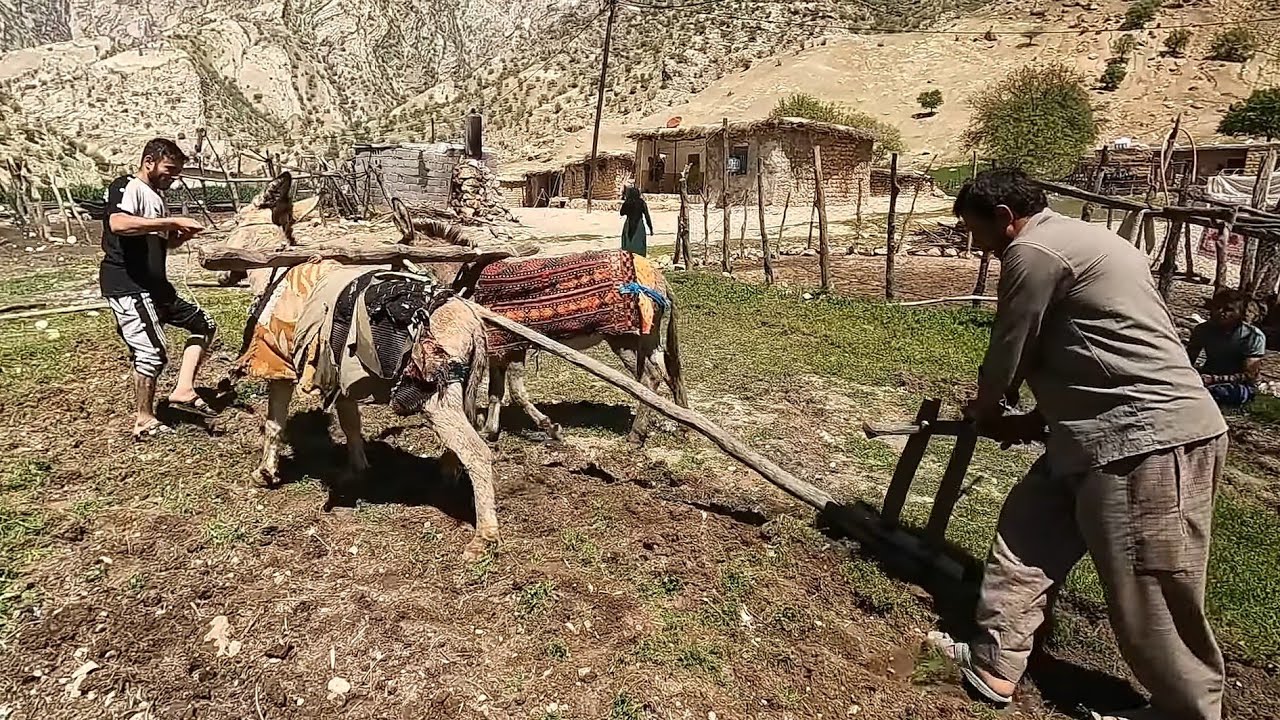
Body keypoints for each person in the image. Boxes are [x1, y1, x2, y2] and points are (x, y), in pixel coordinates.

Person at [929, 169, 1228, 720]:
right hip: (1089, 434)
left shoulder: (1035, 251)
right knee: (1028, 533)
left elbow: (1012, 344)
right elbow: (1100, 345)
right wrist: (1039, 420)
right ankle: (997, 662)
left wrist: (989, 408)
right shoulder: (1090, 240)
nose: (975, 244)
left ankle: (1187, 711)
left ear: (1002, 217)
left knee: (1150, 582)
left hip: (1143, 439)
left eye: (974, 230)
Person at [101, 138, 215, 439]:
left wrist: (181, 235)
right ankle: (144, 419)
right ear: (149, 161)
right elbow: (119, 224)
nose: (172, 176)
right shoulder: (126, 186)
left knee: (204, 325)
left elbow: (161, 241)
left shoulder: (156, 197)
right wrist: (171, 219)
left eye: (177, 172)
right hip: (128, 284)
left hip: (155, 286)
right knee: (151, 352)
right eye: (168, 169)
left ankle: (184, 389)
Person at [1187, 288, 1266, 406]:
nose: (1220, 312)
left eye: (1228, 310)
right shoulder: (1202, 330)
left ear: (1241, 313)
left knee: (1228, 393)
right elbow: (1188, 359)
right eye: (1217, 307)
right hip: (1206, 377)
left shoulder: (1253, 336)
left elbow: (1249, 375)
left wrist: (1215, 379)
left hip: (1237, 385)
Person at [620, 185, 654, 256]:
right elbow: (647, 216)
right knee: (639, 245)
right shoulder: (641, 202)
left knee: (628, 245)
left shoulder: (627, 202)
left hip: (629, 224)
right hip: (639, 225)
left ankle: (628, 261)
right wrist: (650, 228)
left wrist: (626, 204)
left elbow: (621, 213)